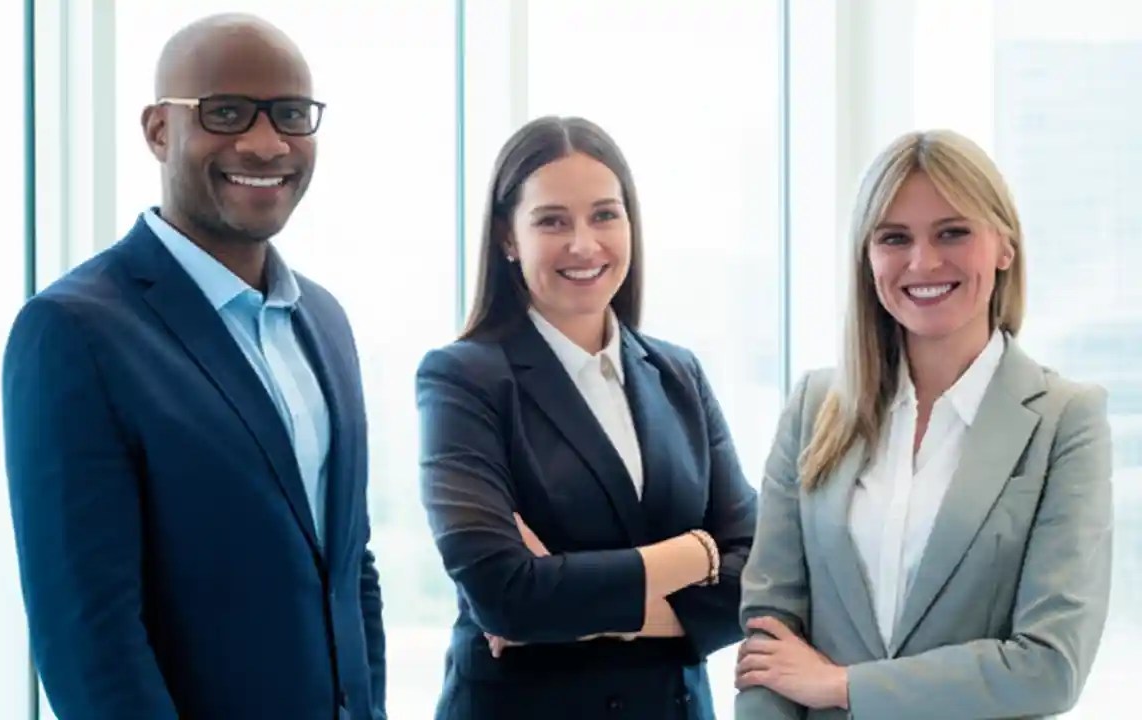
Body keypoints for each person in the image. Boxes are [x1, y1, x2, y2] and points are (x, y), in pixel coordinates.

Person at [1, 14, 384, 720]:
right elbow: (89, 641)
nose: (266, 143)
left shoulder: (324, 321)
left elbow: (350, 570)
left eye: (290, 114)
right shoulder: (74, 331)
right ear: (158, 130)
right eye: (226, 113)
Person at [733, 129, 1113, 719]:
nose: (924, 262)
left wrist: (846, 686)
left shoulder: (1065, 421)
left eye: (952, 232)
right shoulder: (814, 407)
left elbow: (1049, 667)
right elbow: (769, 641)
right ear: (867, 258)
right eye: (895, 238)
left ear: (1004, 246)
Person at [415, 115, 758, 720]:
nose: (583, 244)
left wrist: (572, 610)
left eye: (604, 215)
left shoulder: (679, 374)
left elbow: (757, 578)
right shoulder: (462, 379)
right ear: (508, 237)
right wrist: (697, 554)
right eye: (552, 220)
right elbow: (505, 595)